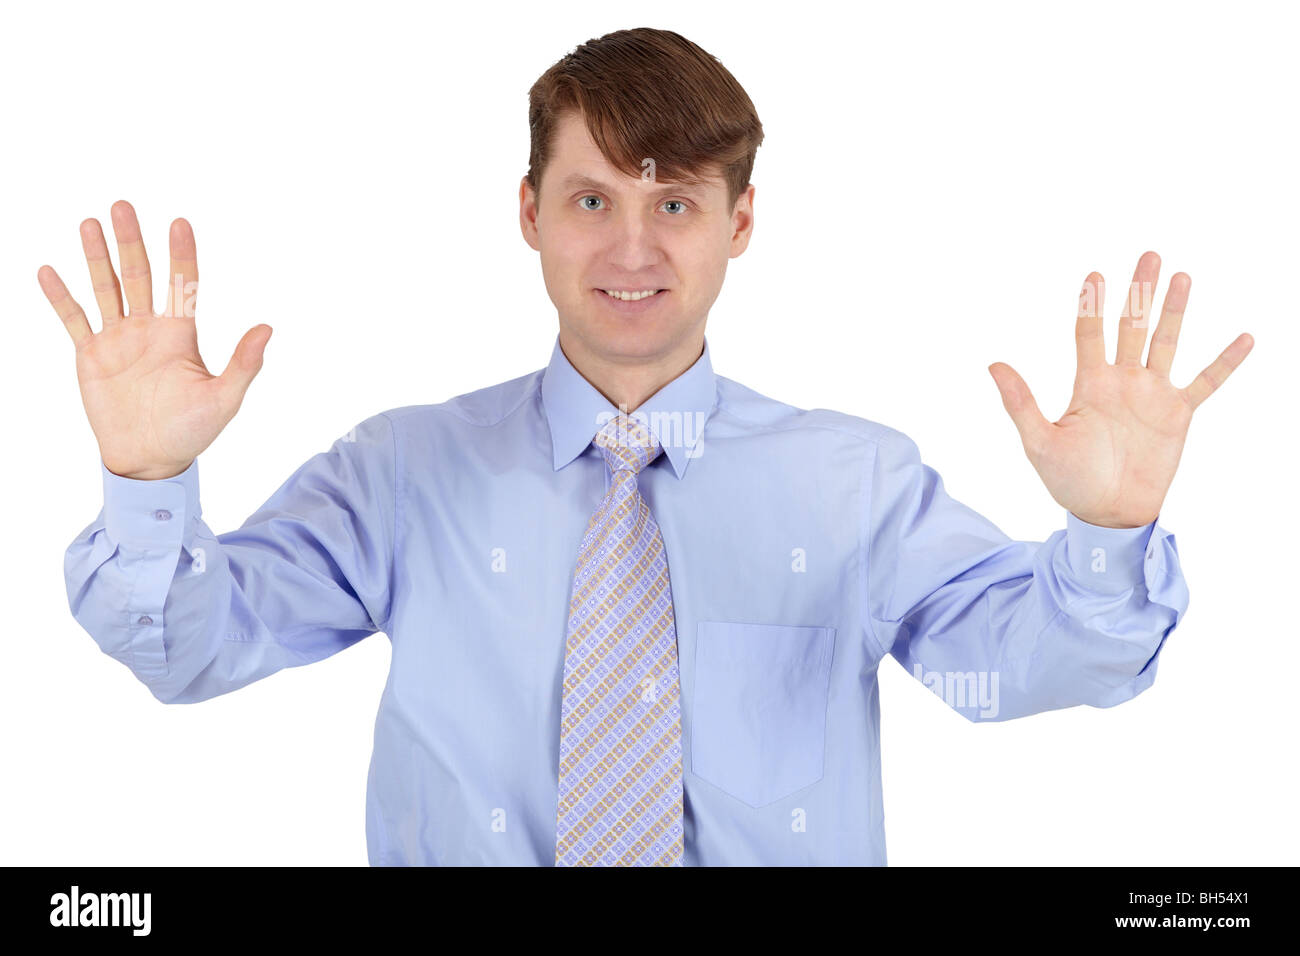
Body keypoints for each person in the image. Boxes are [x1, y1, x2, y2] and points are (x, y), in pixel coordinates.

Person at [46, 27, 1252, 866]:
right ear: (528, 214)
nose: (633, 250)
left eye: (673, 201)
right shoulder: (400, 472)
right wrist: (149, 484)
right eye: (591, 201)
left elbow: (1030, 667)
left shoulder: (854, 482)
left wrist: (1105, 534)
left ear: (740, 223)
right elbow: (188, 653)